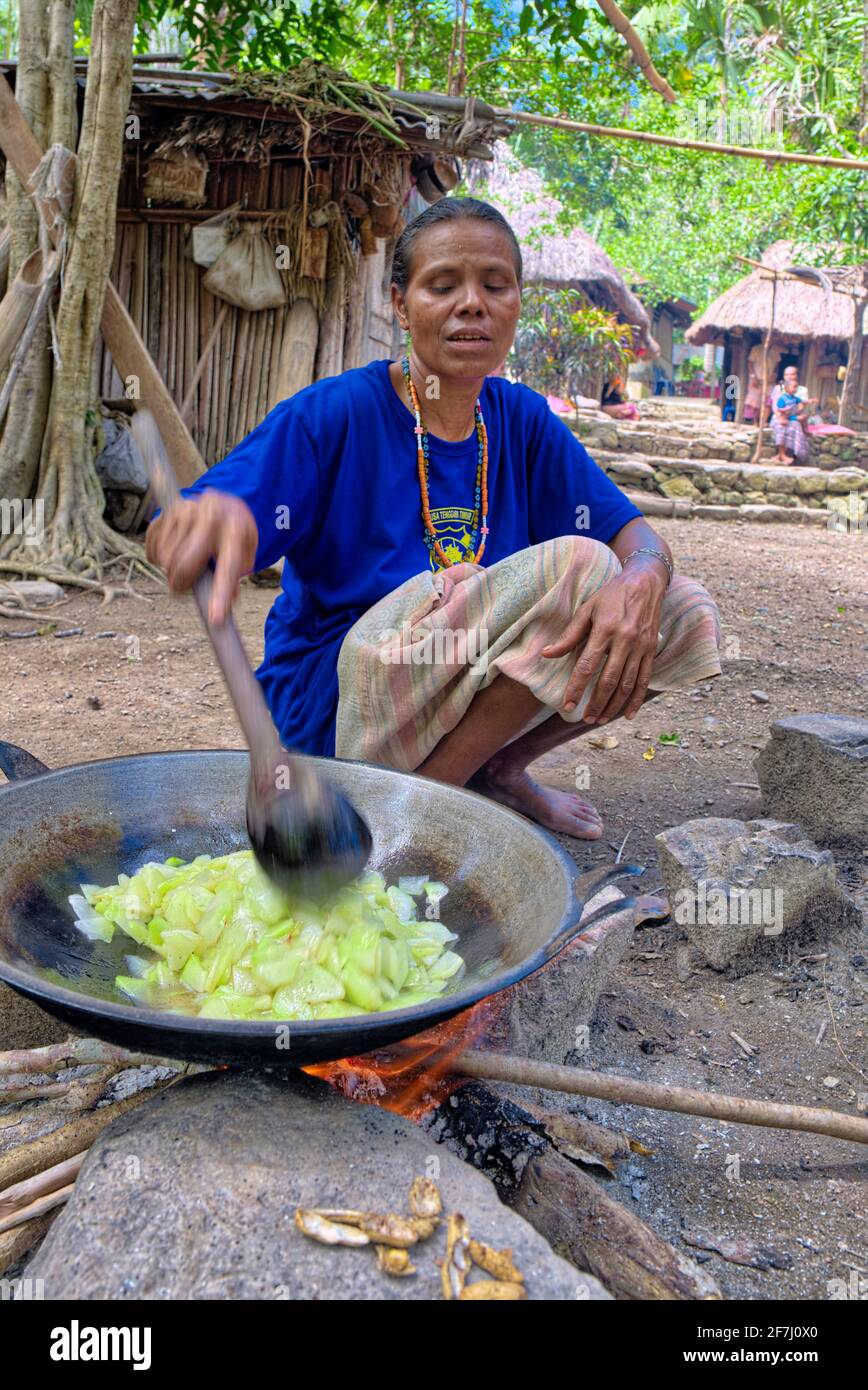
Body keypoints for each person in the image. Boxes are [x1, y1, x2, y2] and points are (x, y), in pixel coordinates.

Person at [147, 197, 721, 842]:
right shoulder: (332, 415)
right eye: (442, 285)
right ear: (400, 303)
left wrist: (644, 574)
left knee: (679, 609)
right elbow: (210, 515)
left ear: (516, 302)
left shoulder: (522, 420)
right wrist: (208, 521)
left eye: (494, 285)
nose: (472, 304)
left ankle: (495, 770)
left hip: (458, 681)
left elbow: (634, 535)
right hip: (343, 698)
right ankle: (415, 815)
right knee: (584, 568)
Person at [771, 364, 811, 464]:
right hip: (779, 416)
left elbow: (801, 407)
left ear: (796, 375)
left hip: (793, 416)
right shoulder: (778, 388)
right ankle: (782, 455)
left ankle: (786, 455)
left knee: (795, 425)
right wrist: (780, 416)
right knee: (781, 424)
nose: (789, 376)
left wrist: (791, 413)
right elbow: (775, 406)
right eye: (786, 374)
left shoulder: (802, 390)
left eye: (792, 374)